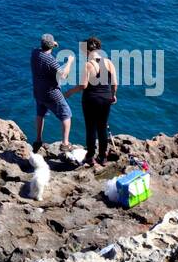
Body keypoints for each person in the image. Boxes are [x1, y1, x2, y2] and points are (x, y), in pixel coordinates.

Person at [67, 37, 117, 166]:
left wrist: (69, 92)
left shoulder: (88, 65)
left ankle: (90, 157)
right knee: (102, 127)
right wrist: (113, 95)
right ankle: (102, 157)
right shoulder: (109, 63)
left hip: (91, 100)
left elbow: (83, 85)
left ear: (88, 50)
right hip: (106, 98)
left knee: (91, 128)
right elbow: (115, 83)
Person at [30, 33, 75, 154]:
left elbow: (43, 49)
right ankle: (65, 144)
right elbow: (64, 76)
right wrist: (70, 62)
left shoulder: (34, 53)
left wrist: (52, 45)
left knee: (40, 114)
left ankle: (38, 140)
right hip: (52, 94)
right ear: (51, 45)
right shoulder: (51, 61)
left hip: (38, 91)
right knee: (66, 115)